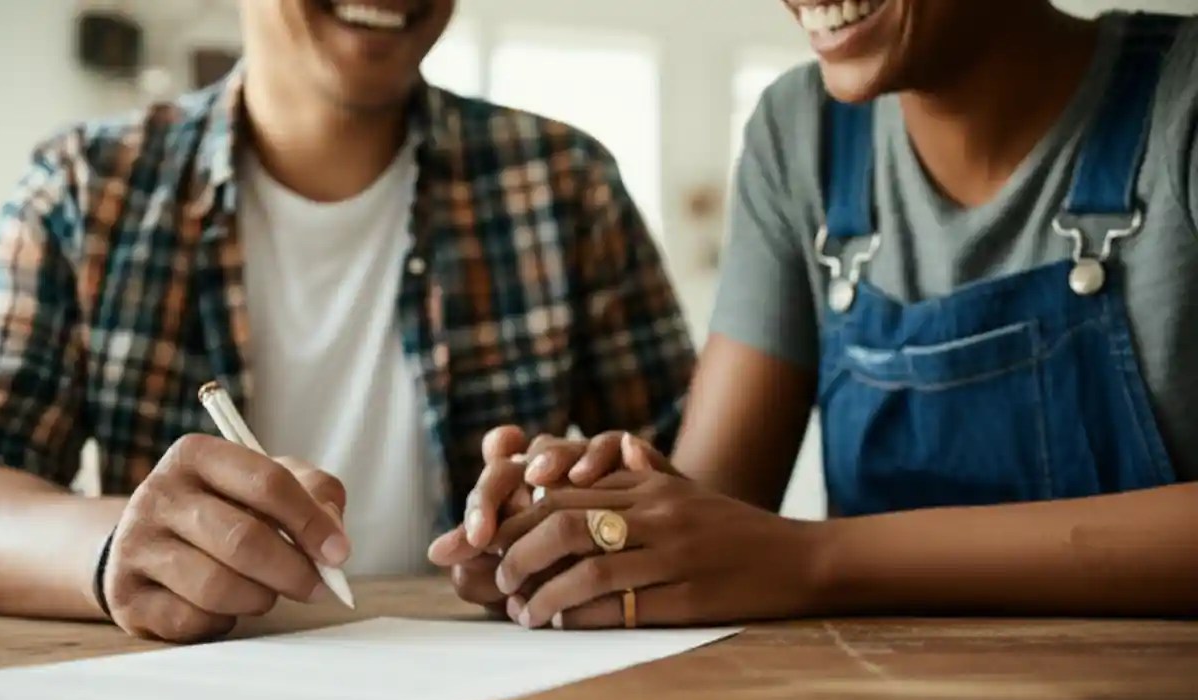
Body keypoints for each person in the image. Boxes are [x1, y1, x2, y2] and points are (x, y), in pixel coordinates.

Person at [0, 0, 695, 642]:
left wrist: (576, 499)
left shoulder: (565, 184)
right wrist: (118, 544)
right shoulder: (87, 188)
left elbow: (690, 485)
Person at [431, 0, 1198, 629]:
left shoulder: (1180, 101)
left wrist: (814, 560)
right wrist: (586, 527)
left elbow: (770, 553)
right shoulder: (800, 133)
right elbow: (716, 505)